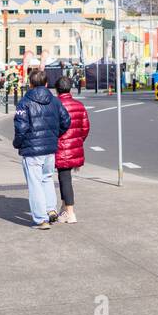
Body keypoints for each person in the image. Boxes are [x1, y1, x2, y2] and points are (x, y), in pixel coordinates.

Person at [14, 68, 71, 230]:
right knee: (46, 178)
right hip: (50, 148)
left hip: (31, 149)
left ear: (30, 84)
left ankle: (41, 219)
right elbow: (66, 121)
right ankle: (50, 209)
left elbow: (21, 128)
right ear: (46, 83)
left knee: (35, 183)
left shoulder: (24, 102)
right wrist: (55, 135)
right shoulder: (55, 101)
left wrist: (18, 143)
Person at [53, 75, 90, 224]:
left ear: (57, 90)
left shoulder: (55, 105)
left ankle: (70, 212)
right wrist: (78, 142)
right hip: (74, 147)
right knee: (64, 179)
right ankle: (64, 208)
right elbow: (85, 128)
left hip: (60, 148)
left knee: (64, 179)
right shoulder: (79, 105)